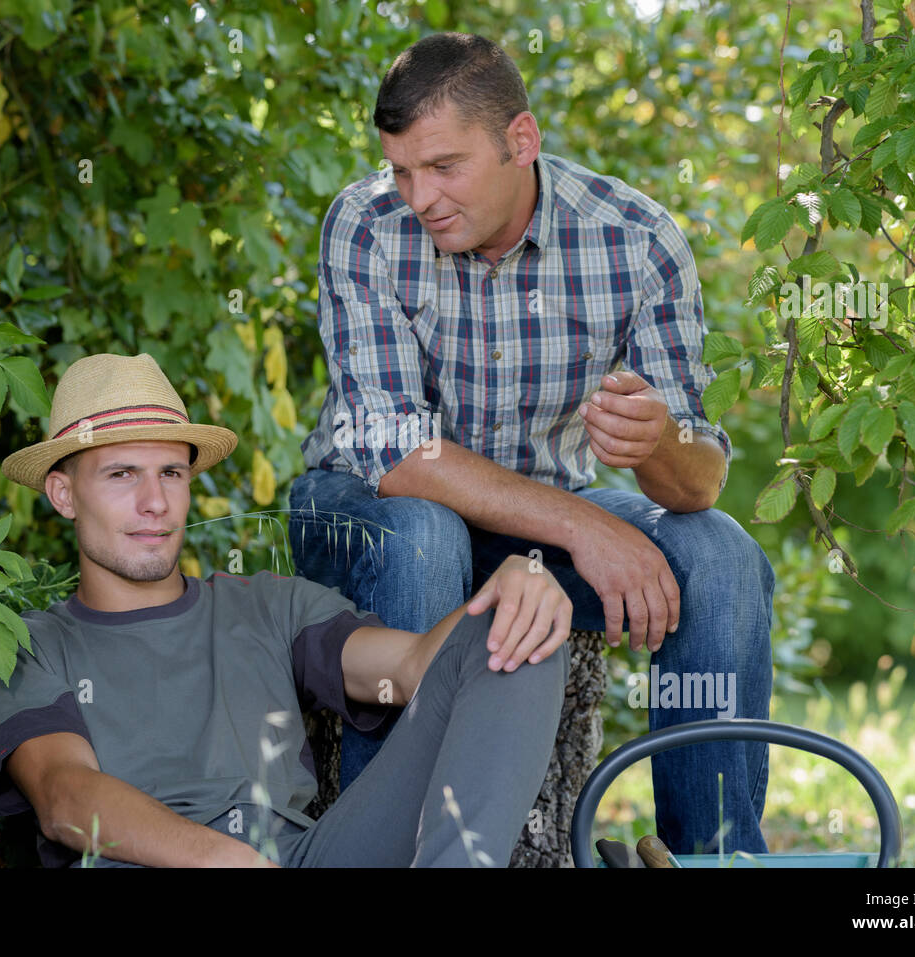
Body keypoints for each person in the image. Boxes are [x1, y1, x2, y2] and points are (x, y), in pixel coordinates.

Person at [290, 32, 775, 856]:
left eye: (443, 167)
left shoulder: (637, 240)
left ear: (522, 140)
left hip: (535, 525)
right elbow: (402, 456)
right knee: (422, 534)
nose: (419, 195)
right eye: (403, 170)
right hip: (364, 508)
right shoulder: (365, 226)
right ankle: (391, 850)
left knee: (720, 555)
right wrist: (586, 527)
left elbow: (698, 483)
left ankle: (711, 853)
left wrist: (655, 443)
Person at [0, 352, 571, 867]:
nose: (154, 502)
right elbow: (64, 798)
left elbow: (414, 668)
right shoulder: (23, 643)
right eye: (122, 474)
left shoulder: (267, 605)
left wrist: (518, 586)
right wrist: (217, 857)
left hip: (301, 857)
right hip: (147, 861)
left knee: (521, 628)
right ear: (64, 494)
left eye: (171, 473)